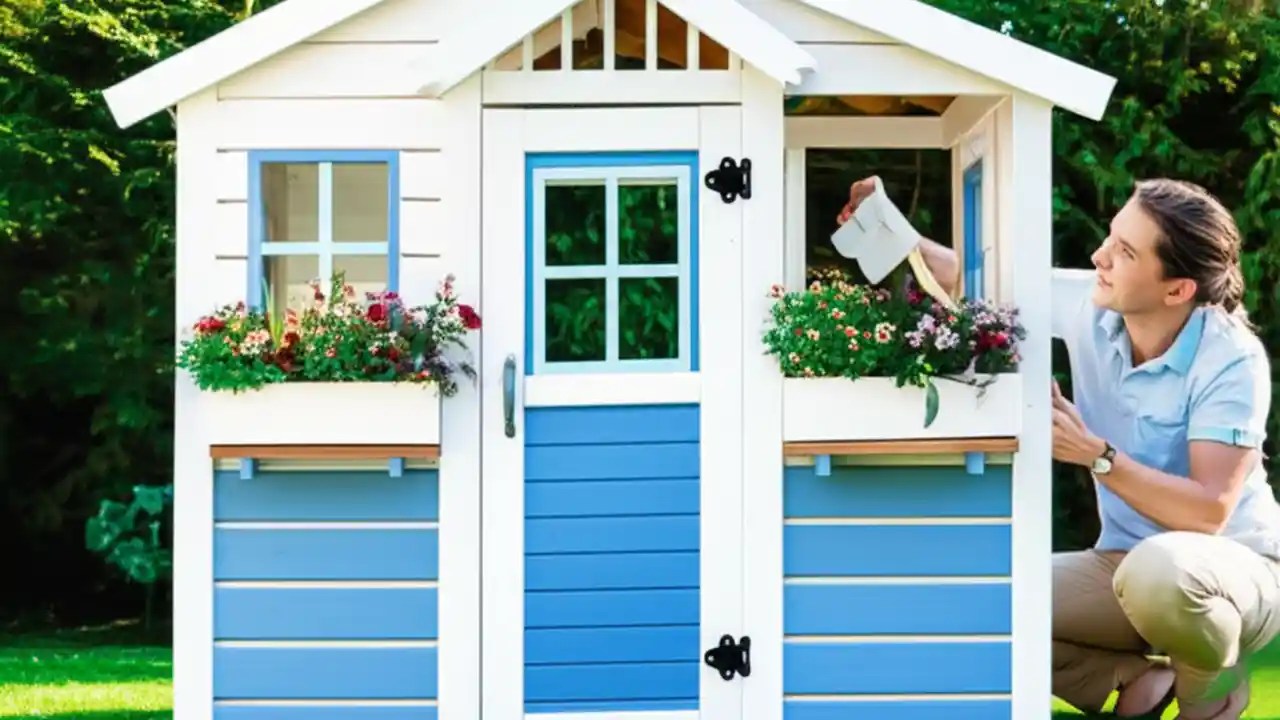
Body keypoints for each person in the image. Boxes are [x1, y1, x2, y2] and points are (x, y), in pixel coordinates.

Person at [837, 176, 1280, 719]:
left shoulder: (1231, 358)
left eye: (1125, 252)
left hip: (1235, 572)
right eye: (1111, 236)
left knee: (1156, 571)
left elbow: (1209, 512)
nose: (1100, 256)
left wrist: (1098, 456)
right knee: (965, 598)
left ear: (1177, 290)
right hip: (1123, 567)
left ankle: (1210, 687)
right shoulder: (1093, 305)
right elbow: (971, 282)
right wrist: (886, 222)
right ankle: (1127, 682)